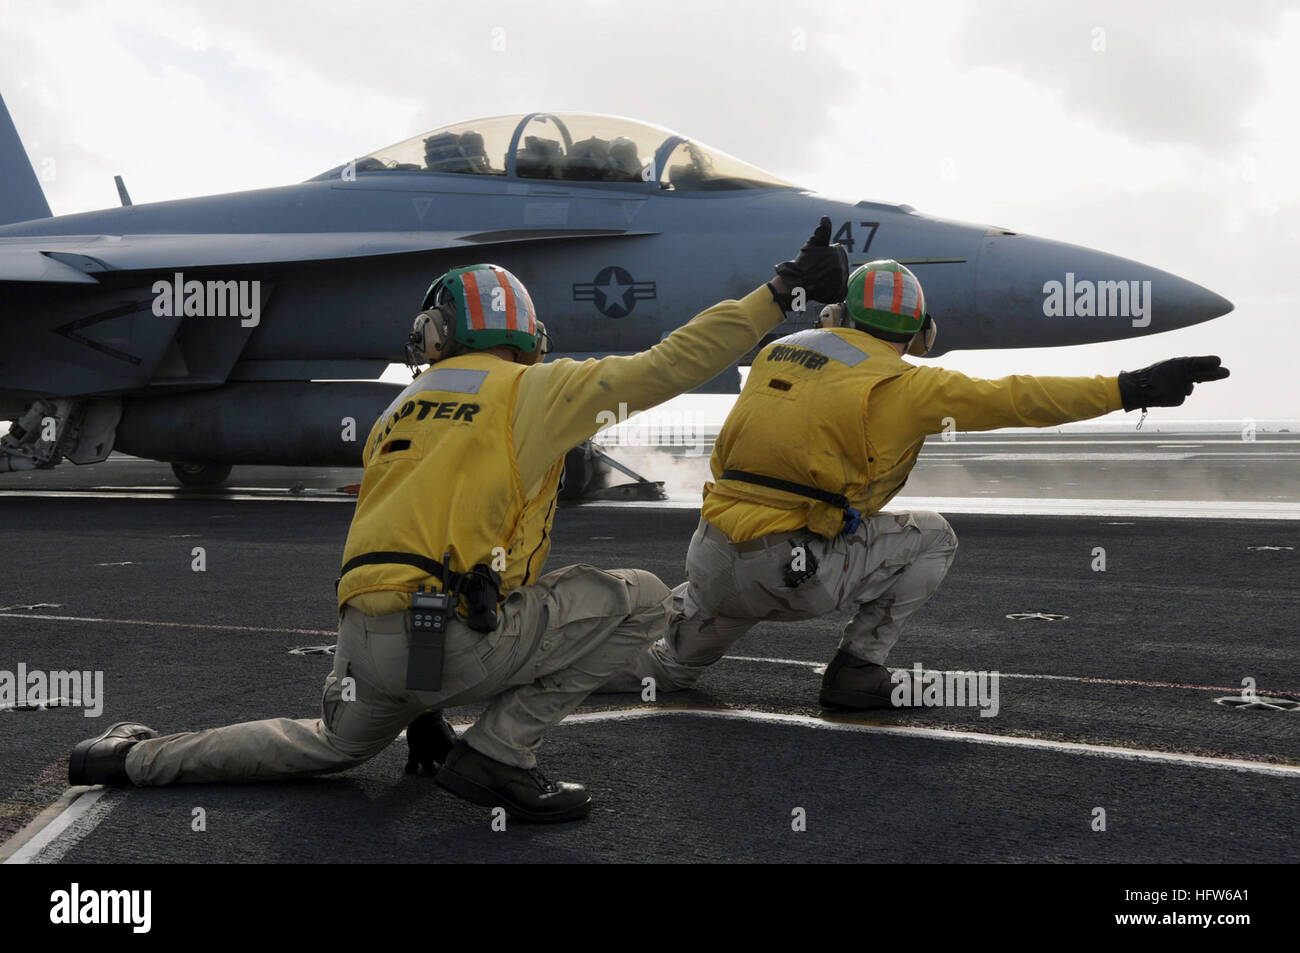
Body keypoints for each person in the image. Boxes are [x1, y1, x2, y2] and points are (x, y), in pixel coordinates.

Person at [68, 219, 850, 822]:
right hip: (451, 641)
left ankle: (133, 759)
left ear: (436, 335)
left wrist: (418, 703)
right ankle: (501, 755)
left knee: (324, 741)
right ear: (524, 334)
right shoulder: (535, 389)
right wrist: (780, 291)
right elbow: (671, 362)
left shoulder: (397, 410)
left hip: (364, 643)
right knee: (640, 594)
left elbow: (413, 543)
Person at [605, 259, 1231, 709]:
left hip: (713, 559)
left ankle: (567, 663)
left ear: (838, 314)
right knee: (931, 536)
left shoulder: (776, 353)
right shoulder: (911, 386)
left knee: (669, 673)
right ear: (921, 333)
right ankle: (858, 673)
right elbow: (1023, 398)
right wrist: (1132, 387)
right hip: (793, 574)